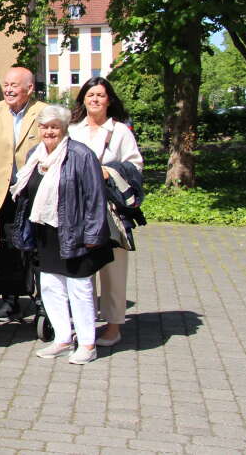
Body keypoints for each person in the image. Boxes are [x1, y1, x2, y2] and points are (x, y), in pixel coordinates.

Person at [11, 104, 110, 364]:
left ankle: (87, 343)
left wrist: (92, 236)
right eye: (44, 126)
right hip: (44, 232)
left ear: (64, 128)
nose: (49, 131)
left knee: (79, 288)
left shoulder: (80, 154)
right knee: (51, 287)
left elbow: (95, 197)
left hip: (74, 233)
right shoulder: (36, 154)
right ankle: (63, 338)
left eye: (54, 126)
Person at [69, 77, 143, 347]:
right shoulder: (73, 130)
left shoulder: (120, 131)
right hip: (79, 209)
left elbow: (135, 166)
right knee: (82, 270)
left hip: (111, 210)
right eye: (90, 95)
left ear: (109, 99)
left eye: (100, 95)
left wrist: (108, 172)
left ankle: (113, 327)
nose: (95, 100)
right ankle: (86, 325)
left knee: (113, 269)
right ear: (83, 100)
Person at [0, 66, 48, 321]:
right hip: (6, 193)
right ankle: (11, 300)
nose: (7, 89)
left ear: (29, 89)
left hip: (35, 194)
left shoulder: (43, 113)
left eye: (14, 85)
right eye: (6, 84)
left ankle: (42, 299)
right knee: (8, 247)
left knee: (37, 247)